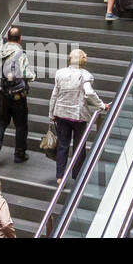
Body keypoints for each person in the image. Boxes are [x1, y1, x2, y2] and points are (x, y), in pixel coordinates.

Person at [49, 48, 108, 181]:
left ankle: (60, 176)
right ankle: (77, 175)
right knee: (79, 146)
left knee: (63, 145)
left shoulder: (60, 73)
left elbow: (54, 95)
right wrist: (101, 105)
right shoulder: (85, 75)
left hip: (61, 114)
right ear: (82, 60)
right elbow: (89, 93)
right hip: (78, 116)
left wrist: (51, 113)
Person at [0, 26, 35, 164]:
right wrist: (32, 76)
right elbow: (27, 75)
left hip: (0, 93)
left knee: (0, 120)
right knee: (21, 124)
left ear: (7, 38)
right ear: (20, 39)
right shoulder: (20, 54)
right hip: (17, 95)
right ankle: (19, 154)